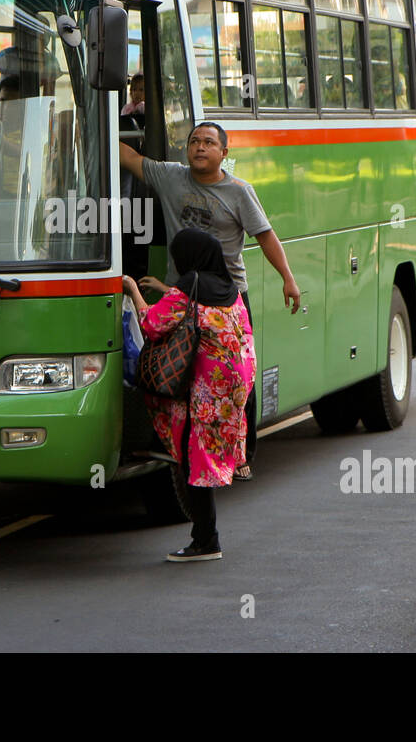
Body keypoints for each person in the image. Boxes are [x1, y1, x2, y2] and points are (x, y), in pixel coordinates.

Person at [119, 121, 299, 480]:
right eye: (194, 141)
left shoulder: (239, 192)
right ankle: (183, 446)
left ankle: (242, 453)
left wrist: (288, 279)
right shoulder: (171, 177)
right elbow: (131, 158)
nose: (200, 147)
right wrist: (97, 121)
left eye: (209, 143)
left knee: (237, 379)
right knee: (182, 372)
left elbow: (265, 237)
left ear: (224, 153)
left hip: (228, 299)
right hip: (184, 296)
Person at [123, 229, 255, 562]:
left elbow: (152, 324)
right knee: (200, 448)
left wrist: (133, 290)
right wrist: (168, 290)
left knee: (194, 456)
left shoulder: (189, 284)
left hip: (208, 384)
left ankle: (206, 541)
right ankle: (206, 534)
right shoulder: (230, 287)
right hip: (238, 379)